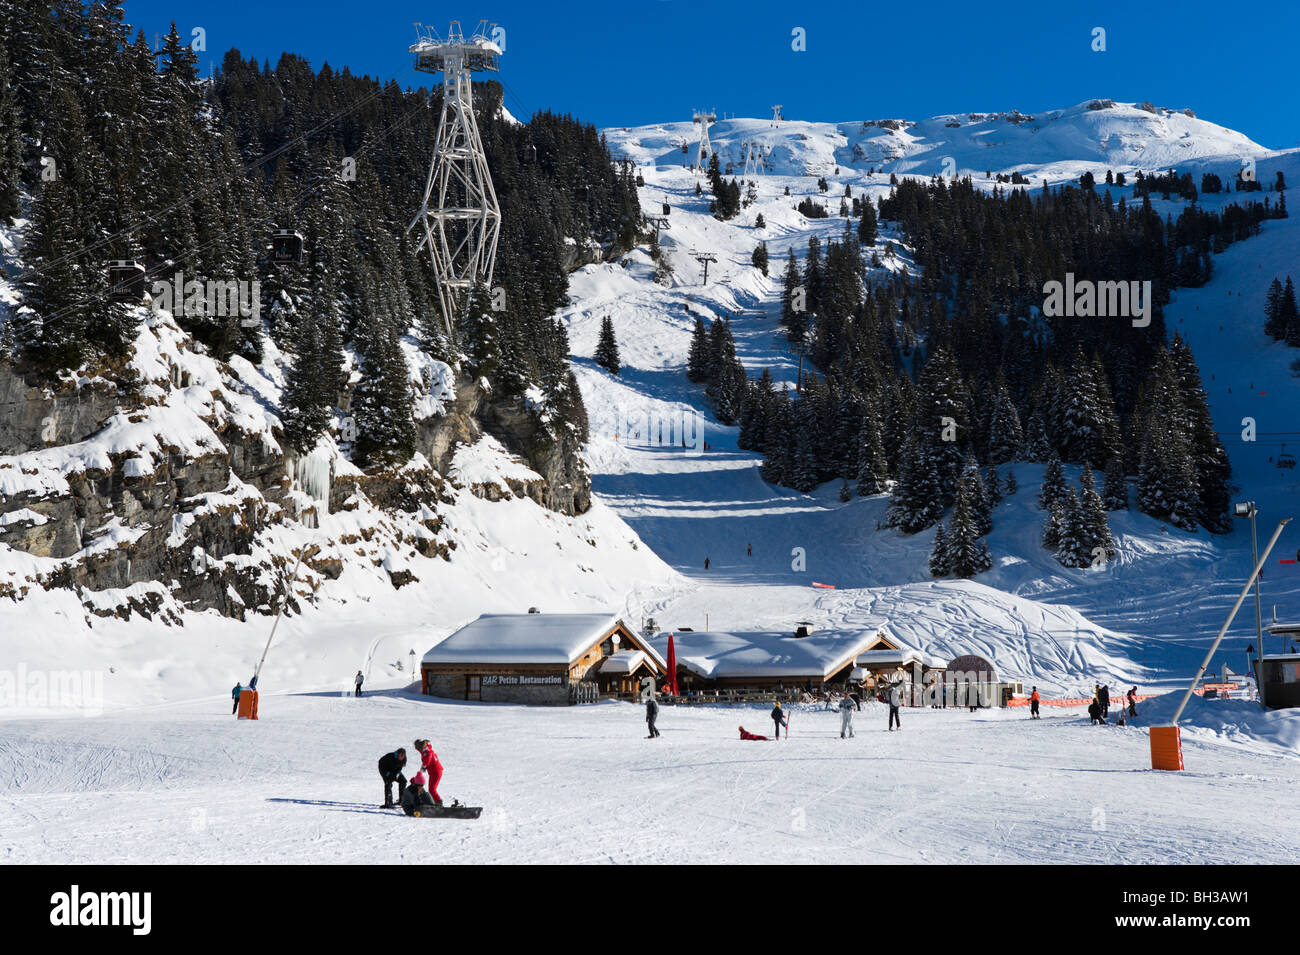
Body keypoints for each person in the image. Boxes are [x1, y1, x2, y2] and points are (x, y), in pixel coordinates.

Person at [414, 738, 443, 804]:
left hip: (436, 771)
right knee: (431, 789)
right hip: (434, 772)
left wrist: (424, 766)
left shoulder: (426, 751)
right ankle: (436, 802)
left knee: (432, 789)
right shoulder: (427, 750)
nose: (418, 750)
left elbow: (428, 759)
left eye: (417, 749)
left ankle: (439, 802)